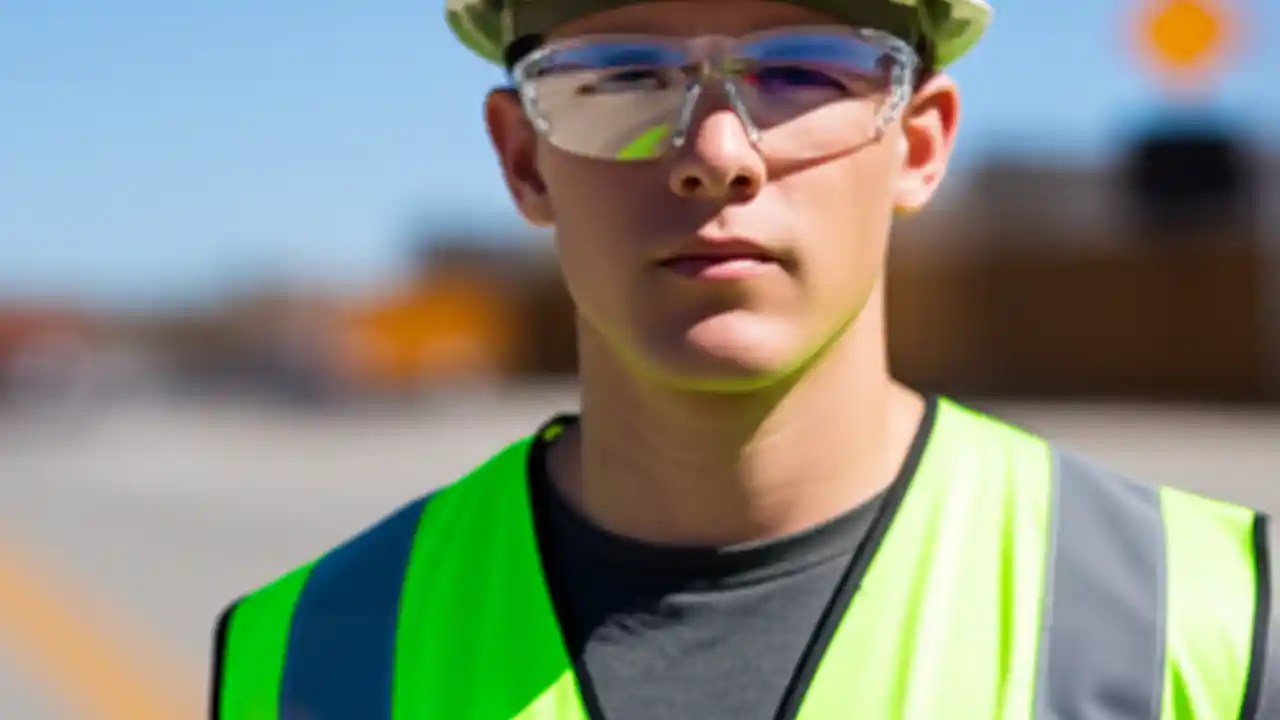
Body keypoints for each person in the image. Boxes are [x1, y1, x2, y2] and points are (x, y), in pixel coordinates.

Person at [209, 0, 1279, 717]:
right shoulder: (303, 656)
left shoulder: (1208, 621)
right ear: (522, 159)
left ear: (917, 146)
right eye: (622, 78)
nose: (715, 156)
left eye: (802, 74)